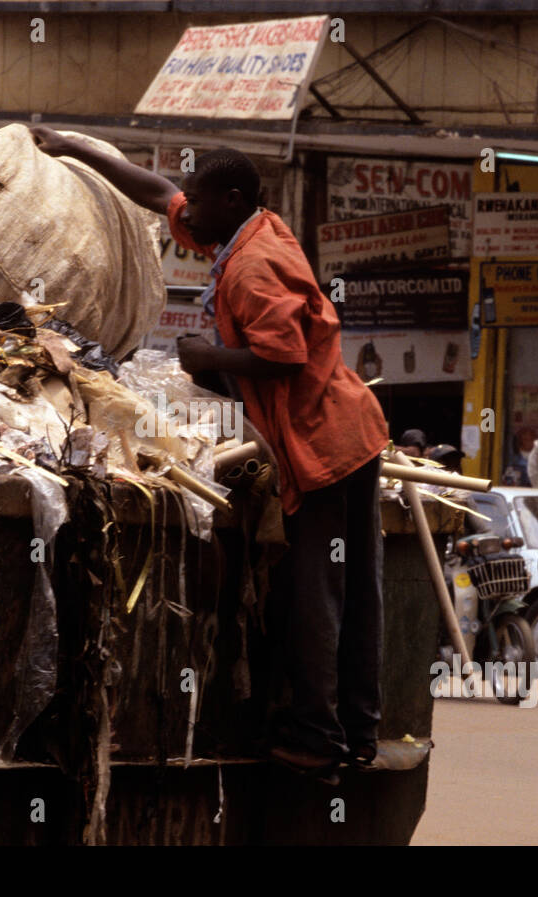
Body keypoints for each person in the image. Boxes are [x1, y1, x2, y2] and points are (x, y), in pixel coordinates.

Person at [31, 127, 389, 781]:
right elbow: (159, 192)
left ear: (230, 198)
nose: (185, 213)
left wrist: (206, 357)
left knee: (318, 594)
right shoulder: (237, 231)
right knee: (355, 590)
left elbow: (286, 357)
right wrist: (74, 149)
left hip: (325, 443)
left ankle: (319, 739)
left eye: (198, 201)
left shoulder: (253, 267)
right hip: (352, 433)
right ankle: (357, 731)